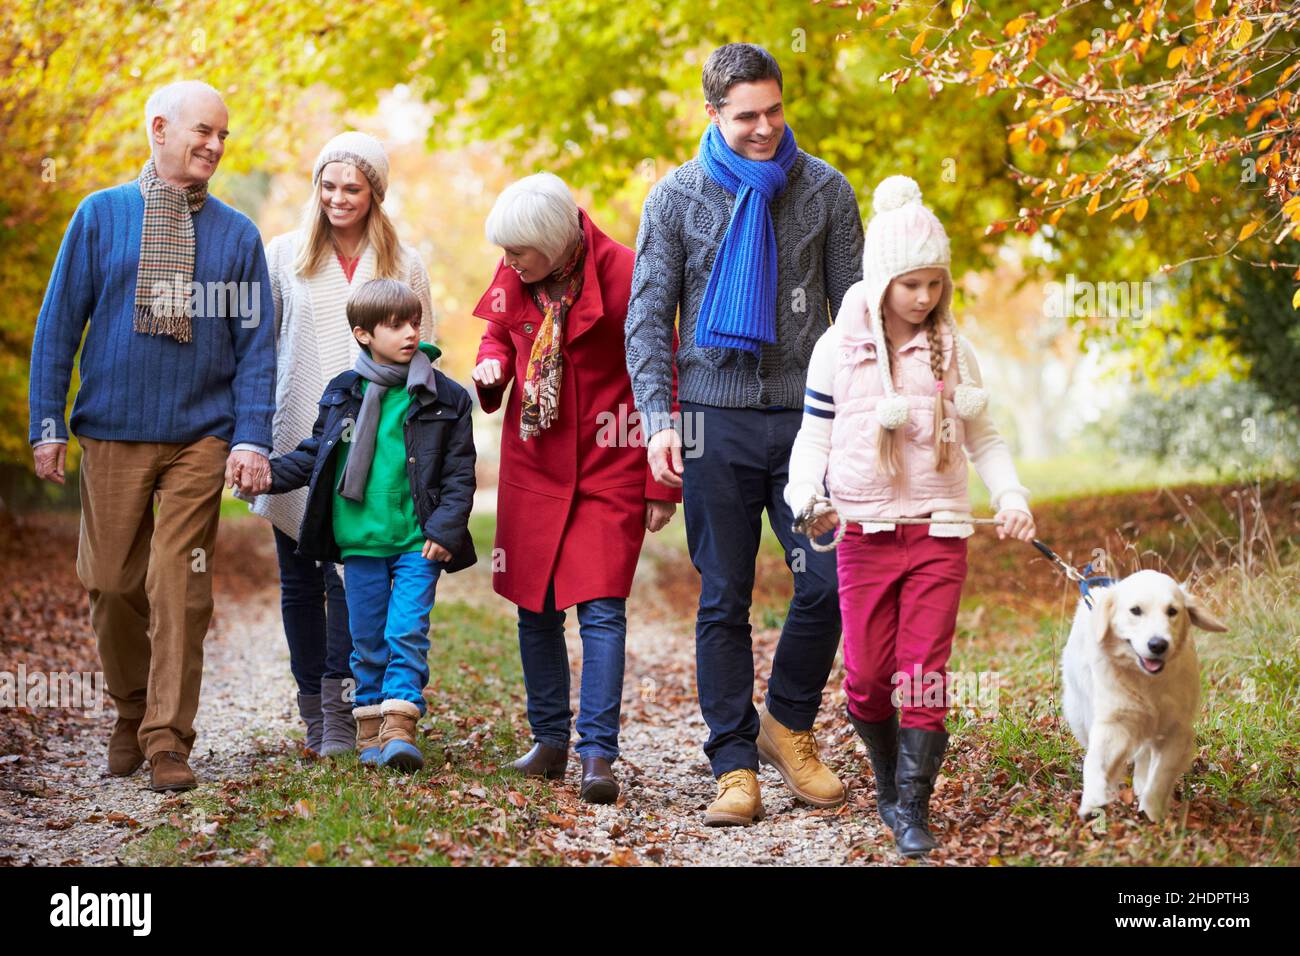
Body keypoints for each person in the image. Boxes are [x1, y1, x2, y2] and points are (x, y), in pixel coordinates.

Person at [625, 43, 864, 825]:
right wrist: (659, 420)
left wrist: (858, 421)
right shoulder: (675, 199)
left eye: (774, 111)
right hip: (713, 423)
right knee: (724, 596)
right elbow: (647, 320)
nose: (764, 129)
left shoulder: (826, 191)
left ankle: (787, 725)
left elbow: (856, 320)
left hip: (808, 424)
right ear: (713, 114)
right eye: (746, 117)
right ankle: (733, 762)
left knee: (827, 582)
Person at [28, 80, 275, 792]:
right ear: (160, 128)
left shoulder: (237, 234)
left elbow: (257, 346)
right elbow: (57, 327)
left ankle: (168, 739)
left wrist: (250, 438)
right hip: (111, 429)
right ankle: (131, 708)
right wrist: (49, 423)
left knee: (180, 582)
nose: (216, 145)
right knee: (109, 582)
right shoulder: (100, 216)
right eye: (204, 131)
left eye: (224, 135)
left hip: (202, 434)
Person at [785, 175, 1037, 857]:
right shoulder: (838, 349)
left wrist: (1010, 497)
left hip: (940, 533)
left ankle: (912, 807)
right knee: (867, 680)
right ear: (882, 278)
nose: (924, 298)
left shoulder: (955, 350)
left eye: (935, 283)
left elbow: (985, 438)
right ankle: (889, 778)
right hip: (862, 537)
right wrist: (803, 489)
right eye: (911, 284)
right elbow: (814, 437)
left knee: (923, 670)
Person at [471, 173, 680, 804]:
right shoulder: (519, 268)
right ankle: (549, 741)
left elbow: (660, 370)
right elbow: (497, 330)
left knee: (602, 609)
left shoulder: (623, 273)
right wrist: (494, 366)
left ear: (558, 244)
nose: (508, 264)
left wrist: (657, 481)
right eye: (505, 254)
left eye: (519, 254)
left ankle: (597, 754)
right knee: (534, 606)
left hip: (609, 464)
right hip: (535, 463)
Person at [246, 131, 435, 758]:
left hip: (373, 447)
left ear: (374, 194)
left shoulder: (404, 262)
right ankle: (315, 713)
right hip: (298, 428)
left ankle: (349, 705)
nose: (337, 198)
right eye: (327, 186)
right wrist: (251, 440)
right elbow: (257, 347)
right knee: (300, 578)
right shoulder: (282, 256)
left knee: (348, 580)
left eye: (351, 188)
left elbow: (422, 361)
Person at [265, 278, 475, 772]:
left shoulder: (445, 397)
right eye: (396, 325)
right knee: (366, 638)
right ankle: (369, 730)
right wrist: (269, 475)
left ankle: (400, 725)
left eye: (414, 322)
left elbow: (460, 472)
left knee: (406, 630)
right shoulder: (344, 392)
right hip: (359, 542)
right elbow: (317, 454)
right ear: (363, 334)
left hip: (416, 542)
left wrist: (443, 531)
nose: (410, 333)